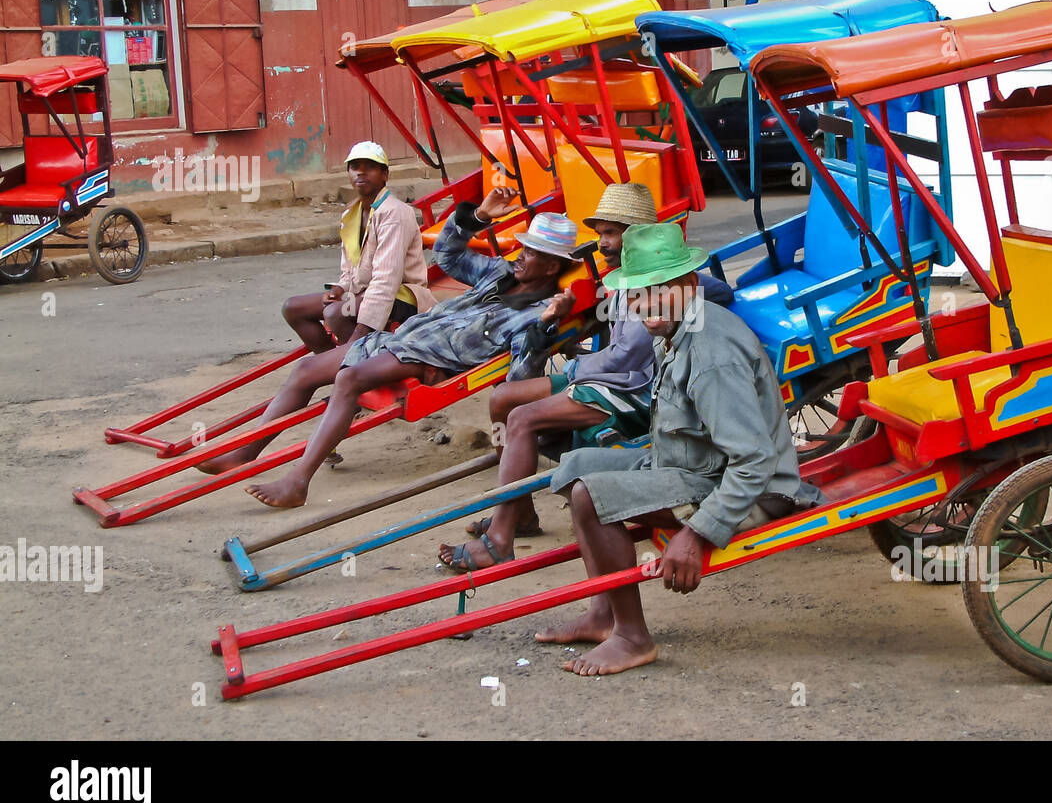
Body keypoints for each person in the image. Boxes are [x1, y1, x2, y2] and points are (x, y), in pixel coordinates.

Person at [534, 223, 823, 676]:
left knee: (592, 493)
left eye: (657, 290)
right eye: (636, 293)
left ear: (688, 284)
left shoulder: (711, 352)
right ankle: (603, 614)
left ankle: (632, 637)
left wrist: (697, 534)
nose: (644, 305)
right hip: (698, 465)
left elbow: (753, 460)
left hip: (751, 490)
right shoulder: (679, 324)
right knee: (577, 466)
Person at [198, 187, 579, 507]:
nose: (521, 255)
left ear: (550, 267)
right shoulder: (501, 273)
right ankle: (246, 453)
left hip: (429, 357)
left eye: (530, 253)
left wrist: (544, 328)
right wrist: (476, 216)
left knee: (348, 381)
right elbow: (447, 255)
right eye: (524, 249)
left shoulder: (535, 315)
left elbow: (518, 379)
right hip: (402, 338)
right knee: (304, 372)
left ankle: (298, 482)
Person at [438, 183, 733, 572]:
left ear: (637, 232)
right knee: (504, 398)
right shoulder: (617, 277)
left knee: (523, 419)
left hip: (637, 388)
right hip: (608, 376)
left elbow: (629, 352)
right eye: (601, 234)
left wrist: (575, 369)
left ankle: (500, 539)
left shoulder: (661, 283)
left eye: (611, 233)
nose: (603, 243)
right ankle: (519, 511)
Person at [282, 142, 434, 351]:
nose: (361, 172)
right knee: (293, 308)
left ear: (385, 175)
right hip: (362, 293)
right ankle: (334, 364)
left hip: (402, 298)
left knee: (336, 313)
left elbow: (386, 280)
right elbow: (349, 271)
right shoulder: (350, 215)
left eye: (370, 166)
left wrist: (361, 331)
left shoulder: (395, 213)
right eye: (355, 167)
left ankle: (355, 362)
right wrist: (338, 289)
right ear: (349, 174)